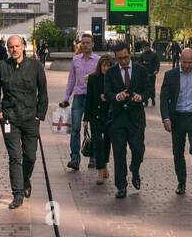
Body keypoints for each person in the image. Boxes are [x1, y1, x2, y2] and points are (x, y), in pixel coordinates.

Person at [0, 36, 48, 209]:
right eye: (11, 47)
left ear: (23, 47)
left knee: (30, 156)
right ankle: (17, 193)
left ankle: (25, 180)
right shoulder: (1, 67)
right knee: (15, 157)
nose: (14, 49)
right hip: (9, 118)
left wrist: (40, 115)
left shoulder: (36, 66)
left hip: (31, 118)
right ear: (7, 49)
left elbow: (43, 92)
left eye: (17, 46)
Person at [160, 46, 192, 199]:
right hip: (178, 118)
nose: (187, 65)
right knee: (178, 152)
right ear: (180, 60)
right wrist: (166, 118)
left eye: (190, 62)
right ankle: (181, 182)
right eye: (184, 62)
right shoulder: (170, 76)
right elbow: (163, 99)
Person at [104, 40, 151, 199]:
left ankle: (135, 169)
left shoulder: (141, 70)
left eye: (125, 57)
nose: (123, 61)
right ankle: (121, 185)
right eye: (119, 59)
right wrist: (117, 96)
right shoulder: (110, 73)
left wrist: (142, 97)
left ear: (129, 54)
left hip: (135, 118)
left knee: (138, 149)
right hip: (117, 118)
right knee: (119, 153)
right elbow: (107, 93)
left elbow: (148, 90)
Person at [61, 33, 101, 171]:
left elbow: (102, 78)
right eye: (83, 43)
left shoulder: (98, 60)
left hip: (93, 98)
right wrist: (66, 97)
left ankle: (94, 158)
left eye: (88, 43)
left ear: (92, 44)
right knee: (75, 128)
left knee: (95, 128)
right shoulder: (75, 60)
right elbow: (71, 79)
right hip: (78, 97)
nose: (85, 45)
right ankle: (75, 158)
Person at [83, 54, 115, 185]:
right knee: (97, 141)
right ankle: (100, 170)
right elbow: (89, 99)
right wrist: (86, 119)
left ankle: (104, 165)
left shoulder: (114, 80)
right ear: (100, 66)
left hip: (109, 115)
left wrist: (109, 98)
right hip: (96, 115)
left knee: (107, 141)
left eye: (108, 66)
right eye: (103, 65)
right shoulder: (93, 79)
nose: (105, 68)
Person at [140, 40, 161, 107]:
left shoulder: (154, 55)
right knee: (145, 87)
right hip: (144, 74)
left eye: (146, 48)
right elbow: (139, 63)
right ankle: (145, 101)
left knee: (152, 87)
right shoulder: (142, 55)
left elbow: (157, 63)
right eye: (144, 48)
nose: (145, 49)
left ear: (149, 47)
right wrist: (143, 63)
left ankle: (153, 99)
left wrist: (157, 70)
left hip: (152, 73)